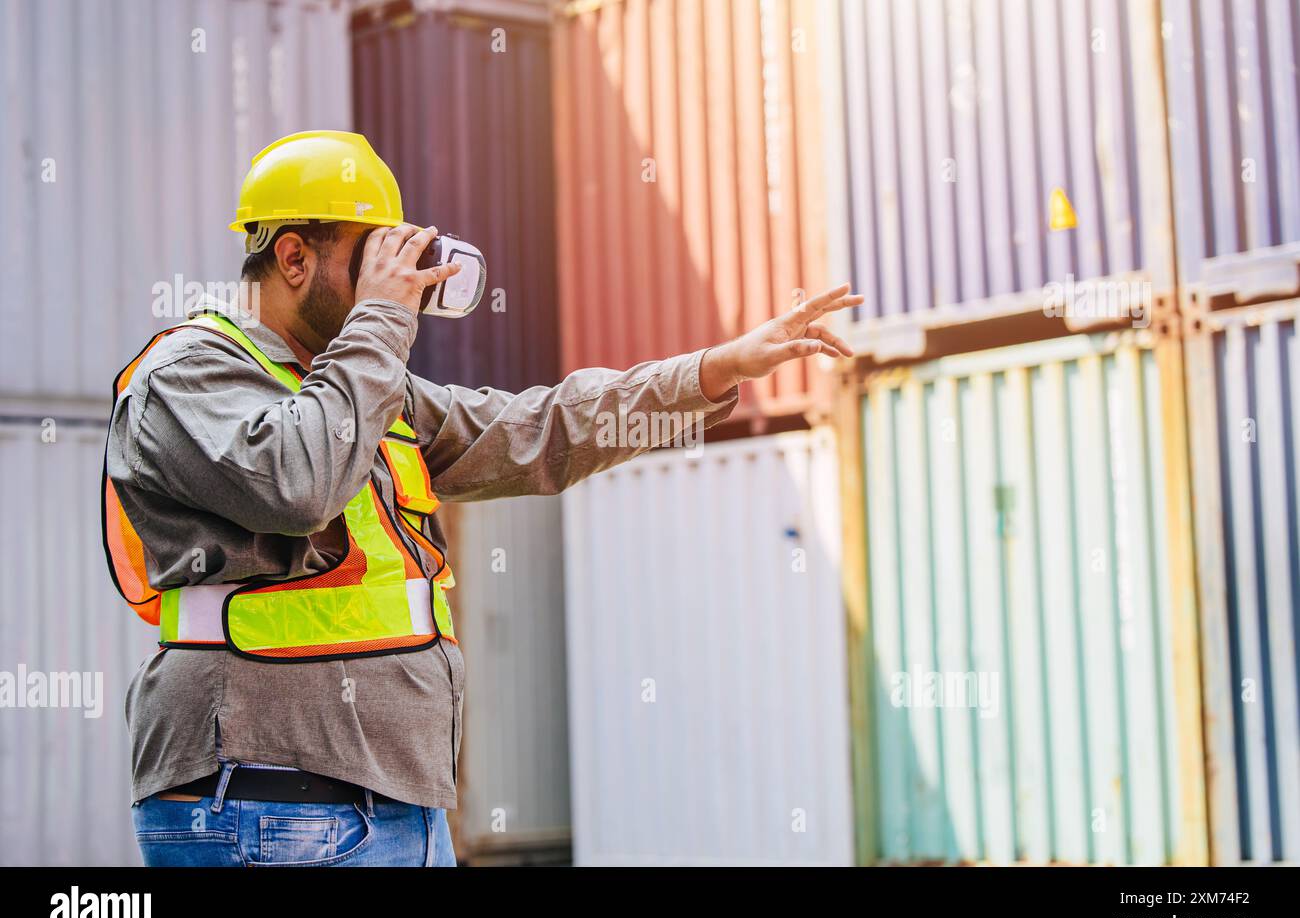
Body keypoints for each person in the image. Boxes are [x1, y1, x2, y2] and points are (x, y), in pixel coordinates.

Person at [104, 130, 859, 866]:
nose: (393, 283)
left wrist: (713, 370)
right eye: (371, 258)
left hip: (390, 800)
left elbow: (535, 430)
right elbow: (298, 483)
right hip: (266, 800)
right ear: (293, 257)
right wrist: (382, 321)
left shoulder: (364, 387)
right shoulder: (187, 372)